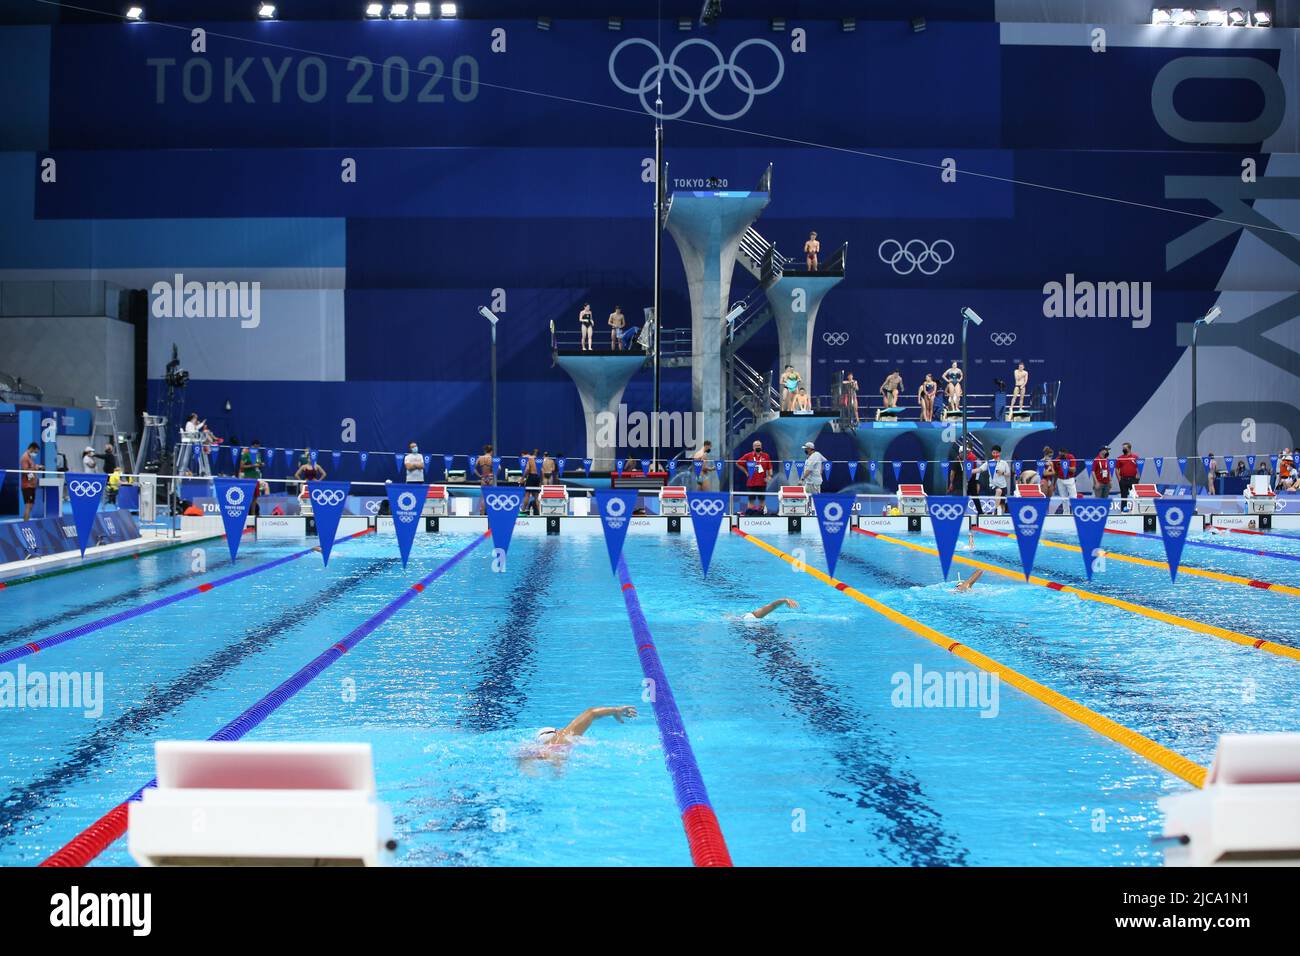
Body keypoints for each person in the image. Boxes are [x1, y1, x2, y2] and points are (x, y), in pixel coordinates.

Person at [523, 706, 639, 765]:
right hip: (558, 748)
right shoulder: (563, 736)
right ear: (557, 731)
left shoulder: (538, 747)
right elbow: (591, 712)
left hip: (542, 749)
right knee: (557, 759)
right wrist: (616, 710)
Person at [736, 439, 773, 513]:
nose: (758, 447)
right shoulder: (748, 456)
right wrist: (746, 472)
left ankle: (762, 515)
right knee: (751, 501)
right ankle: (750, 515)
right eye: (756, 446)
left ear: (761, 446)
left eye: (759, 445)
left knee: (762, 501)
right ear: (753, 447)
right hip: (751, 483)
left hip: (762, 483)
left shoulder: (766, 456)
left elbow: (770, 468)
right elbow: (738, 463)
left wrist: (769, 476)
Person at [976, 445, 1011, 514]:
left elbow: (1009, 474)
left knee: (1003, 504)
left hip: (1003, 485)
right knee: (998, 491)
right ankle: (995, 510)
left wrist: (1002, 473)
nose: (995, 454)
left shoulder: (1004, 463)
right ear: (992, 453)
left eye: (996, 453)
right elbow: (980, 469)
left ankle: (1000, 518)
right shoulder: (989, 463)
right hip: (993, 486)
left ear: (999, 453)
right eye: (993, 453)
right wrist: (970, 470)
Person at [1116, 442, 1139, 511]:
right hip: (1123, 479)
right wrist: (1119, 479)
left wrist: (1138, 475)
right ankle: (1123, 509)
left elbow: (1139, 467)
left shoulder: (1135, 457)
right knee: (1123, 495)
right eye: (1123, 448)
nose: (1123, 449)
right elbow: (1116, 469)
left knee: (1134, 495)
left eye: (1124, 448)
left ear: (1129, 448)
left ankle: (1134, 508)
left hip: (1133, 479)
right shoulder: (1119, 458)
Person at [19, 441, 39, 521]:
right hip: (27, 485)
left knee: (30, 506)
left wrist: (37, 467)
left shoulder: (29, 458)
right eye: (35, 452)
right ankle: (25, 524)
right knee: (28, 506)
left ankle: (27, 522)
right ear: (31, 449)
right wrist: (34, 468)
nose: (35, 454)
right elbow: (25, 471)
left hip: (32, 485)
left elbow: (31, 468)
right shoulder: (25, 458)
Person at [476, 444, 495, 515]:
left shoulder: (480, 458)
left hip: (483, 478)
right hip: (490, 479)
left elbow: (474, 468)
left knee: (483, 498)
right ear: (491, 451)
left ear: (485, 450)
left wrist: (479, 475)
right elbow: (499, 468)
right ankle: (491, 513)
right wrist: (493, 474)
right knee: (491, 497)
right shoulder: (492, 458)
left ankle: (482, 514)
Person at [521, 449, 541, 515]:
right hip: (537, 477)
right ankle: (540, 512)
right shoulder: (539, 460)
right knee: (536, 496)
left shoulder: (530, 459)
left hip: (531, 476)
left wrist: (522, 478)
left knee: (527, 494)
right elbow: (542, 470)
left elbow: (527, 469)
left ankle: (523, 510)